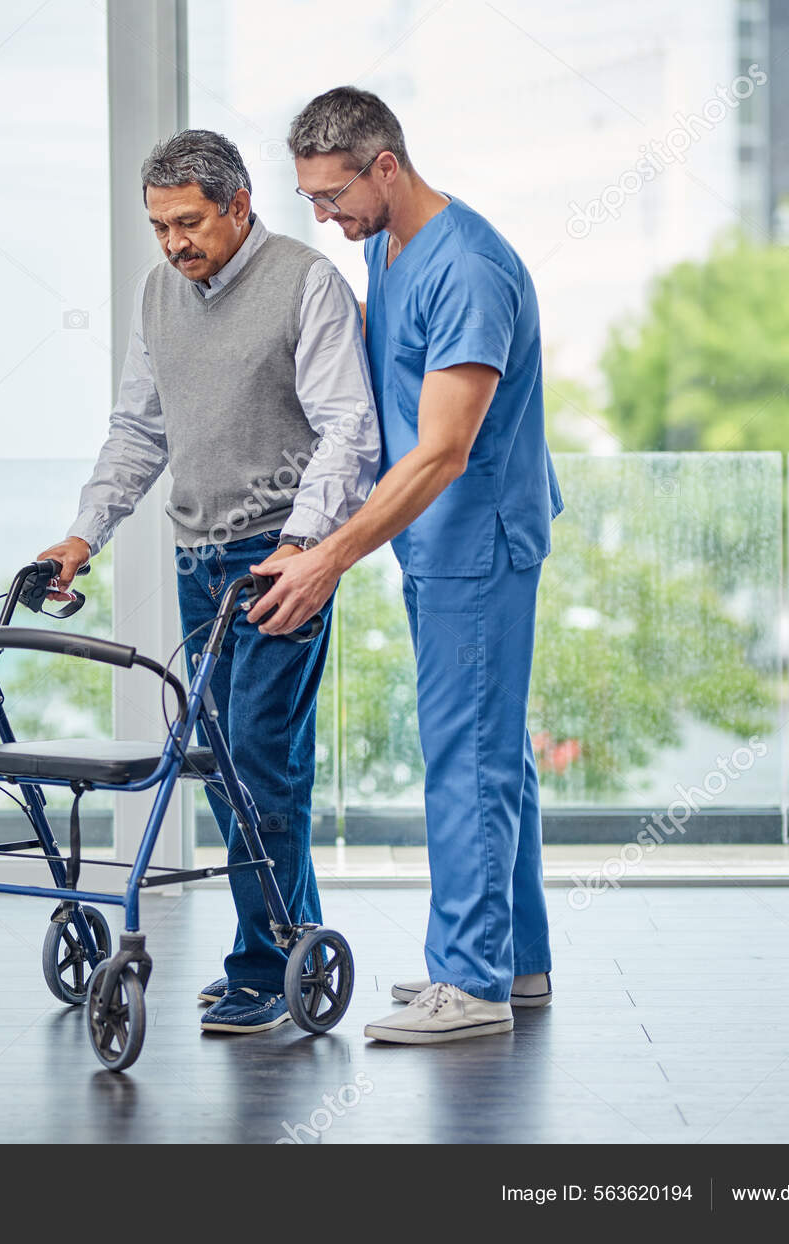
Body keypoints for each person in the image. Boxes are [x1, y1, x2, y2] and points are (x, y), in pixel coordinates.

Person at [35, 129, 380, 1034]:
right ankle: (289, 941)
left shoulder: (307, 283)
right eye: (158, 227)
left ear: (238, 206)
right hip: (198, 560)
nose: (174, 243)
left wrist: (306, 544)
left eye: (189, 222)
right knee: (226, 767)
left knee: (260, 754)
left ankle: (264, 967)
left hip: (280, 557)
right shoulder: (159, 295)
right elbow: (138, 431)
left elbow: (349, 428)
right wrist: (82, 536)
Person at [250, 87, 561, 1044]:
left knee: (464, 758)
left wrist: (327, 560)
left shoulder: (467, 268)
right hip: (437, 546)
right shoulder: (387, 248)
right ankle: (516, 961)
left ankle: (467, 987)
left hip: (478, 542)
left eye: (333, 195)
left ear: (388, 166)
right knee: (489, 752)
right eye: (307, 199)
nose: (323, 218)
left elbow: (442, 451)